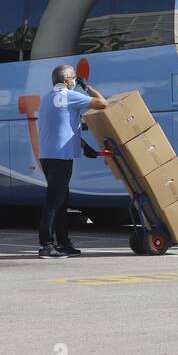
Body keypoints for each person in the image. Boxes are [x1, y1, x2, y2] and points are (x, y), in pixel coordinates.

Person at [36, 64, 107, 258]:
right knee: (54, 201)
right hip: (61, 157)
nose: (75, 80)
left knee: (61, 200)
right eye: (74, 78)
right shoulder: (68, 95)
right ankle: (47, 244)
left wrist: (84, 147)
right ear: (66, 80)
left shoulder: (47, 98)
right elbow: (103, 103)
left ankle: (63, 242)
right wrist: (86, 86)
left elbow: (63, 128)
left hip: (49, 156)